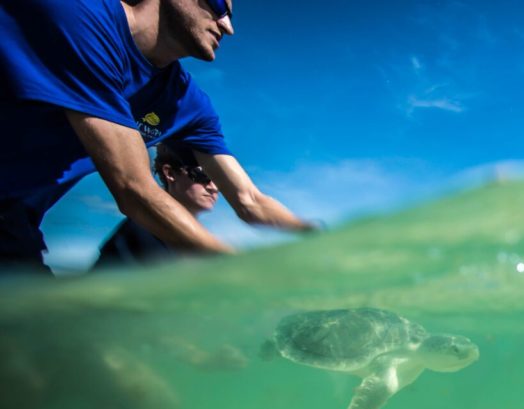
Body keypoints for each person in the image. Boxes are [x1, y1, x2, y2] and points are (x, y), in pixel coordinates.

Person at [0, 0, 317, 275]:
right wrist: (244, 274)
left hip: (12, 222)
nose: (228, 26)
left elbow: (251, 201)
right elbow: (134, 190)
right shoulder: (76, 15)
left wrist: (316, 238)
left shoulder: (187, 104)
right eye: (219, 5)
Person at [93, 141, 219, 268]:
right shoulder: (144, 229)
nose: (214, 188)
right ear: (170, 173)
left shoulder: (159, 230)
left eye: (218, 179)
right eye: (203, 176)